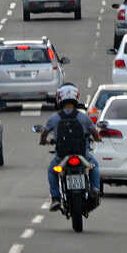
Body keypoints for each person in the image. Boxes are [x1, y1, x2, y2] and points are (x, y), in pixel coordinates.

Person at [40, 83, 101, 211]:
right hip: (83, 156)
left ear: (60, 98)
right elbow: (94, 133)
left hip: (61, 158)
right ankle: (95, 189)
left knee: (52, 171)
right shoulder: (83, 117)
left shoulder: (54, 118)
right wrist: (97, 139)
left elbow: (44, 133)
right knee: (93, 166)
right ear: (76, 97)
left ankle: (56, 198)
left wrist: (44, 141)